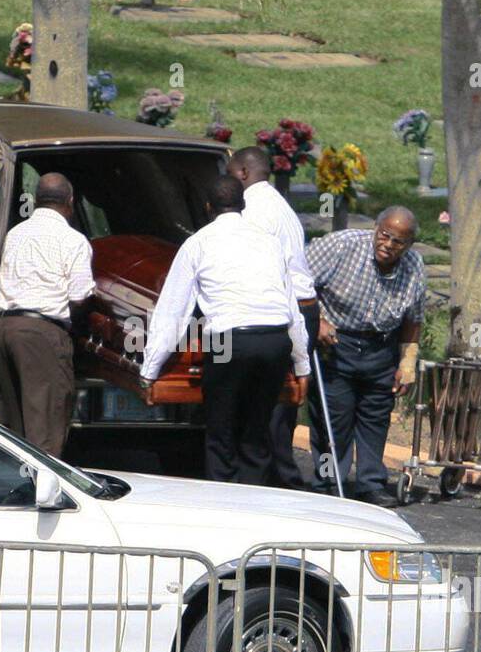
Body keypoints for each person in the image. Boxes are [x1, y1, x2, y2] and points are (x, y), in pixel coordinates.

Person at [140, 176, 310, 485]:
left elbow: (173, 313)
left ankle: (224, 500)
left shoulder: (198, 243)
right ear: (244, 206)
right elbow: (291, 308)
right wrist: (302, 365)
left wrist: (149, 370)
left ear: (207, 207)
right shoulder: (270, 241)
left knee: (221, 431)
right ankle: (255, 500)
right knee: (256, 434)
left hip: (227, 341)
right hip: (274, 340)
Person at [306, 207, 425, 506]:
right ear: (376, 228)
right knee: (333, 419)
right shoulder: (342, 245)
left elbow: (414, 318)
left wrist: (407, 362)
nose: (388, 244)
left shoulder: (414, 265)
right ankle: (328, 482)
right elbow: (297, 281)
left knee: (376, 417)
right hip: (336, 343)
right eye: (384, 235)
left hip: (380, 346)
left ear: (408, 245)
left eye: (398, 241)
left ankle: (370, 483)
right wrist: (316, 320)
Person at [229, 146, 319, 490]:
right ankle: (277, 479)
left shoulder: (252, 209)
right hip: (300, 307)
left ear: (242, 173)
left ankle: (284, 485)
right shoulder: (279, 203)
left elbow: (258, 267)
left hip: (284, 310)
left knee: (272, 407)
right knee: (278, 408)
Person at [0, 172, 94, 457]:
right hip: (41, 334)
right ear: (70, 202)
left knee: (19, 424)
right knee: (45, 427)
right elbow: (80, 295)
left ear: (36, 200)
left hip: (3, 329)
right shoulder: (73, 241)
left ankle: (23, 486)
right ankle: (45, 494)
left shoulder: (15, 234)